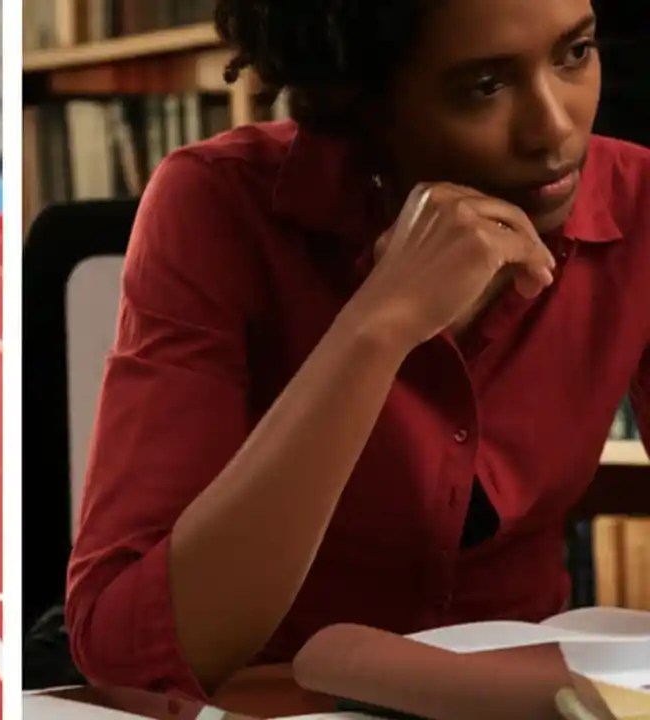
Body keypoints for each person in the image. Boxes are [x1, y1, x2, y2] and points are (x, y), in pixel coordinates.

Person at [65, 0, 650, 703]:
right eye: (484, 87)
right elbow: (125, 651)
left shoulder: (639, 202)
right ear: (362, 98)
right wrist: (376, 328)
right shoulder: (214, 207)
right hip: (272, 701)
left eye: (574, 53)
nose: (555, 127)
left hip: (534, 698)